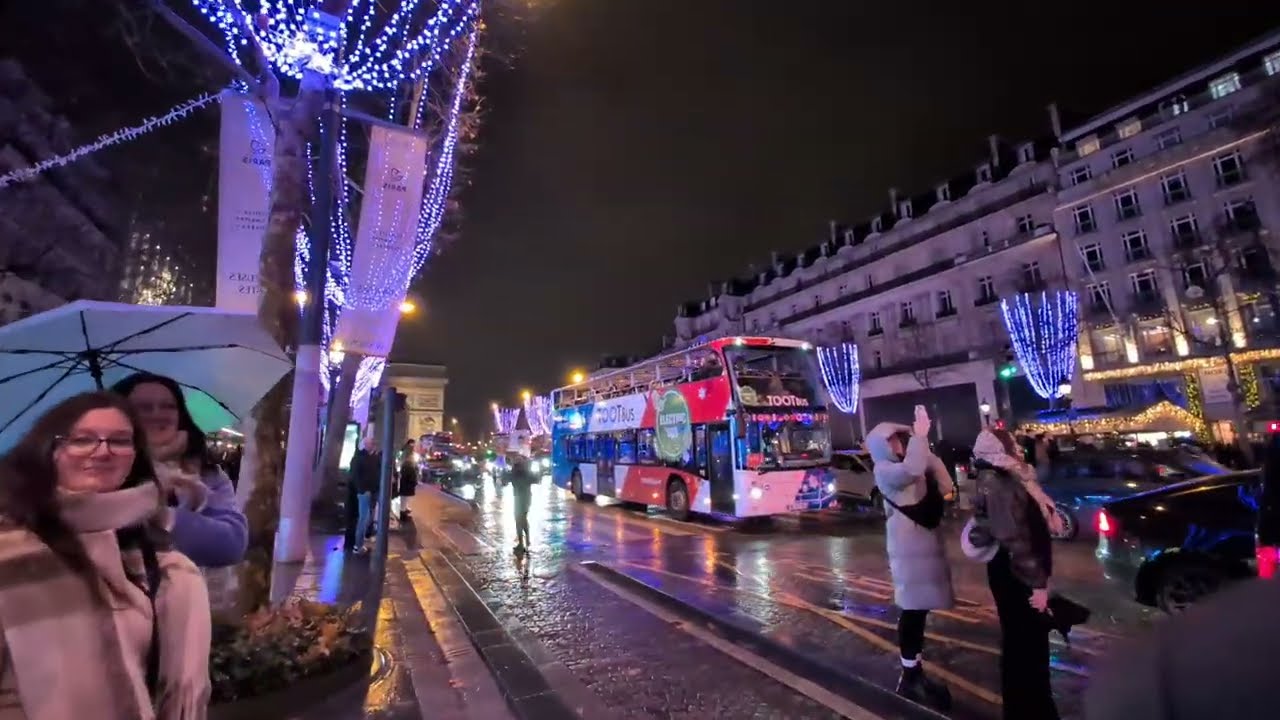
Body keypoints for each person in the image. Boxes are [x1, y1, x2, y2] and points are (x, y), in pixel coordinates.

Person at [0, 392, 210, 719]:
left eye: (120, 440)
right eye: (82, 439)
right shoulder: (11, 546)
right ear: (48, 448)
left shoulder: (151, 552)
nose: (103, 451)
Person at [111, 374, 248, 569]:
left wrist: (165, 517)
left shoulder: (207, 473)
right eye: (143, 407)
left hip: (186, 585)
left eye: (168, 406)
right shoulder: (102, 466)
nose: (157, 414)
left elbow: (231, 545)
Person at [866, 408, 954, 710]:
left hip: (925, 544)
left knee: (920, 610)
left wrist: (923, 446)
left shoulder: (911, 462)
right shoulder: (883, 470)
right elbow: (911, 471)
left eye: (899, 438)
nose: (897, 444)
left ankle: (915, 671)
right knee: (912, 611)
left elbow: (946, 485)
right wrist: (920, 438)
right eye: (891, 440)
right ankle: (910, 674)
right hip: (907, 550)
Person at [970, 427, 1060, 720]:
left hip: (1017, 570)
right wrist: (1038, 584)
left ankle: (1031, 708)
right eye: (1012, 444)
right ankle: (1030, 711)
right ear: (999, 449)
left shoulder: (1009, 475)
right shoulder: (997, 480)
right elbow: (1016, 538)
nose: (1018, 448)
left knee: (1026, 645)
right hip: (1016, 574)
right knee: (1026, 646)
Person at [346, 433, 381, 554]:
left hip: (371, 491)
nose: (373, 445)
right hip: (365, 492)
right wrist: (363, 489)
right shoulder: (359, 458)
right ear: (365, 445)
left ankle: (361, 541)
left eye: (373, 444)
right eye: (371, 443)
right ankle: (358, 545)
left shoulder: (371, 457)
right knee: (364, 518)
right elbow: (355, 476)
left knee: (367, 517)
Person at [509, 457, 535, 553]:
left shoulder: (517, 472)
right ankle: (525, 541)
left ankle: (523, 542)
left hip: (521, 499)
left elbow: (508, 480)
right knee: (522, 519)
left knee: (520, 520)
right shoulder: (524, 472)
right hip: (524, 498)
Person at [395, 439, 417, 523]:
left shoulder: (405, 451)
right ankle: (403, 512)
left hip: (406, 473)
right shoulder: (408, 452)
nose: (414, 446)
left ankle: (404, 510)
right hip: (407, 474)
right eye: (413, 444)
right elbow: (406, 462)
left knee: (405, 494)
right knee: (405, 494)